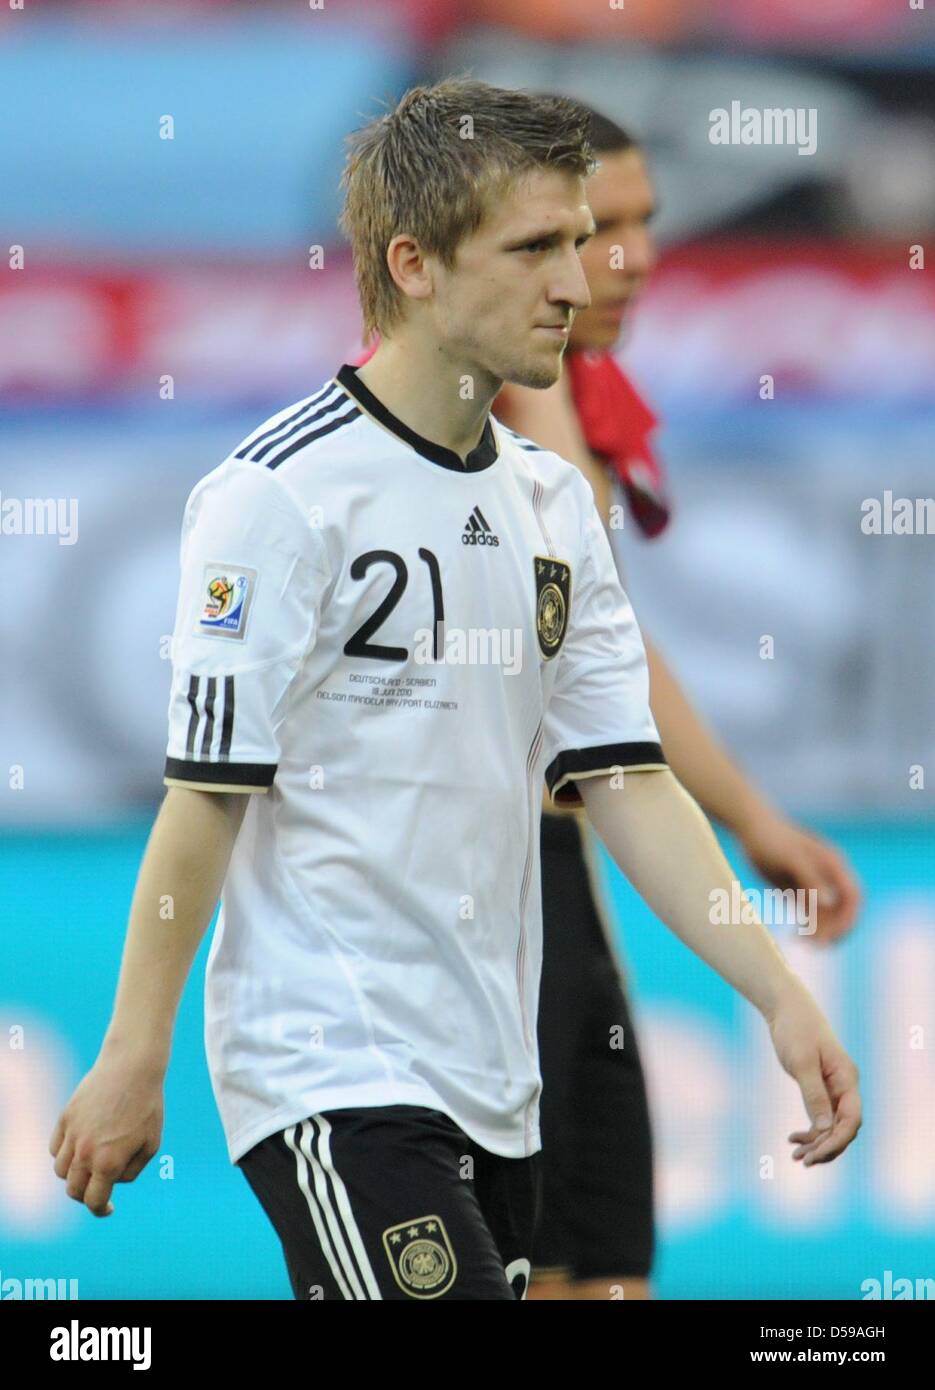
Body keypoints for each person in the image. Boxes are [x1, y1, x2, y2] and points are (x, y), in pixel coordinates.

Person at [49, 77, 861, 1302]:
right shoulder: (276, 496)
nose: (577, 284)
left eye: (579, 243)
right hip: (329, 1069)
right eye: (535, 247)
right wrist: (132, 1053)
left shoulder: (545, 505)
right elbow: (204, 801)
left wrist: (773, 992)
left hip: (496, 1079)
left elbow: (626, 779)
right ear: (413, 263)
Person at [493, 106, 863, 1301]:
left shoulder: (582, 399)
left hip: (559, 882)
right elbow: (608, 667)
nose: (637, 256)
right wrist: (752, 820)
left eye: (648, 222)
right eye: (603, 227)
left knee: (599, 1264)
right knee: (566, 1266)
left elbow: (602, 656)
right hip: (495, 894)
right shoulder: (515, 402)